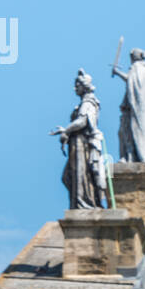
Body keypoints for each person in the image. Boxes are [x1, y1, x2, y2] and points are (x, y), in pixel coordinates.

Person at [49, 69, 108, 209]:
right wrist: (66, 132)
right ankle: (81, 202)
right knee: (70, 176)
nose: (75, 88)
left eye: (77, 85)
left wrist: (67, 130)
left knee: (79, 175)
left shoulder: (88, 103)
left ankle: (85, 203)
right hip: (77, 143)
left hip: (83, 144)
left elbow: (82, 122)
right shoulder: (85, 102)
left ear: (84, 86)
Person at [112, 48, 145, 162]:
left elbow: (131, 80)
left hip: (138, 108)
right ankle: (129, 155)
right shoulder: (142, 70)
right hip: (134, 108)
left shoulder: (138, 69)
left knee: (138, 129)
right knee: (125, 132)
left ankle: (141, 154)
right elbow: (131, 83)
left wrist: (117, 72)